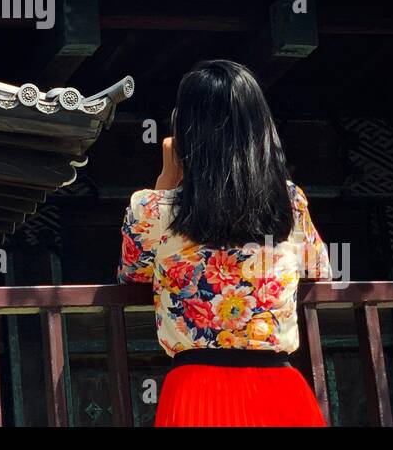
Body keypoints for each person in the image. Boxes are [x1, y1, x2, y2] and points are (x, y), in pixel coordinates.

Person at [118, 59, 331, 427]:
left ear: (185, 130)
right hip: (278, 388)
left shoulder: (149, 208)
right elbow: (320, 269)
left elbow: (132, 273)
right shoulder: (289, 202)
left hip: (195, 388)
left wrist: (167, 178)